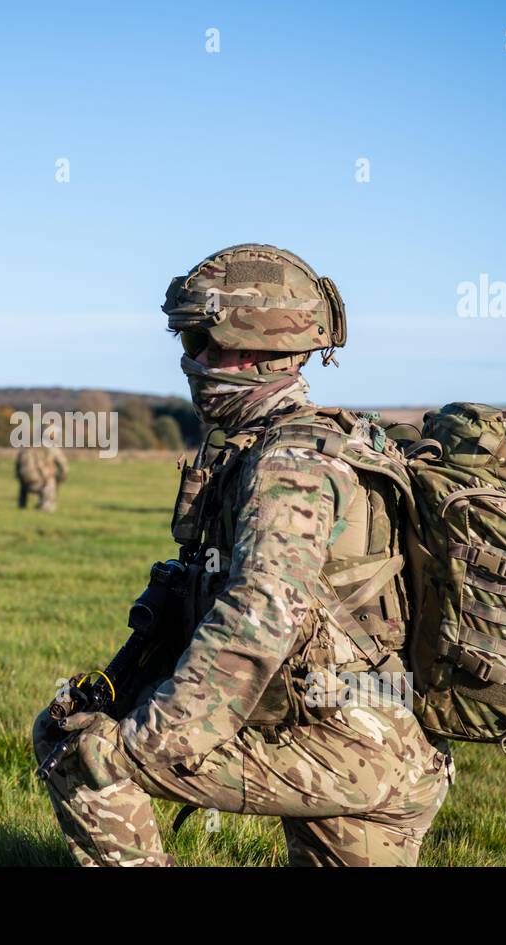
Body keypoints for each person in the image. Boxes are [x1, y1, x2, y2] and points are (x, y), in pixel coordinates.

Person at [32, 244, 452, 866]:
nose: (193, 362)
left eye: (205, 343)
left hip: (336, 745)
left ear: (251, 345)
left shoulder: (288, 464)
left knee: (79, 749)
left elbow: (259, 611)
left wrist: (153, 739)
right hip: (389, 741)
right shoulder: (343, 440)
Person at [15, 425, 68, 512]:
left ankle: (22, 504)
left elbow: (18, 465)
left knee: (37, 474)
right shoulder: (51, 448)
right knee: (50, 479)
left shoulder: (28, 447)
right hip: (41, 482)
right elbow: (64, 466)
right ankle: (47, 507)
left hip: (24, 483)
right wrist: (60, 478)